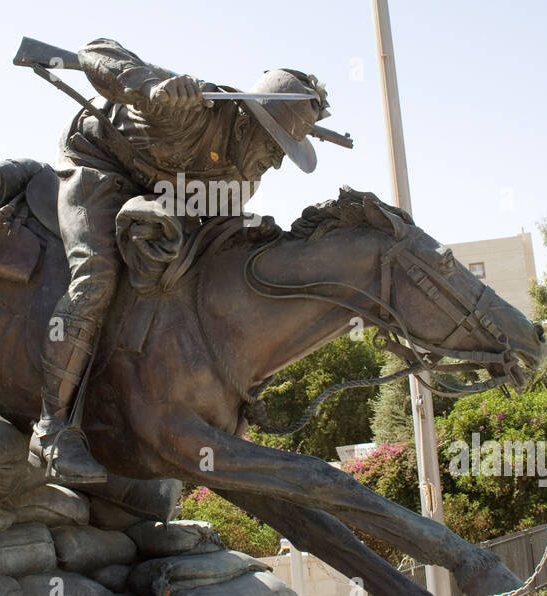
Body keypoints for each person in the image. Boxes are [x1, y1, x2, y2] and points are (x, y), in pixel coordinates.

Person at [29, 36, 328, 483]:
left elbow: (212, 223)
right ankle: (50, 430)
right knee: (94, 277)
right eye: (275, 145)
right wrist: (147, 87)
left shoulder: (245, 178)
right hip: (101, 166)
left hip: (157, 195)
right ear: (249, 122)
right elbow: (98, 49)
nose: (277, 162)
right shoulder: (186, 111)